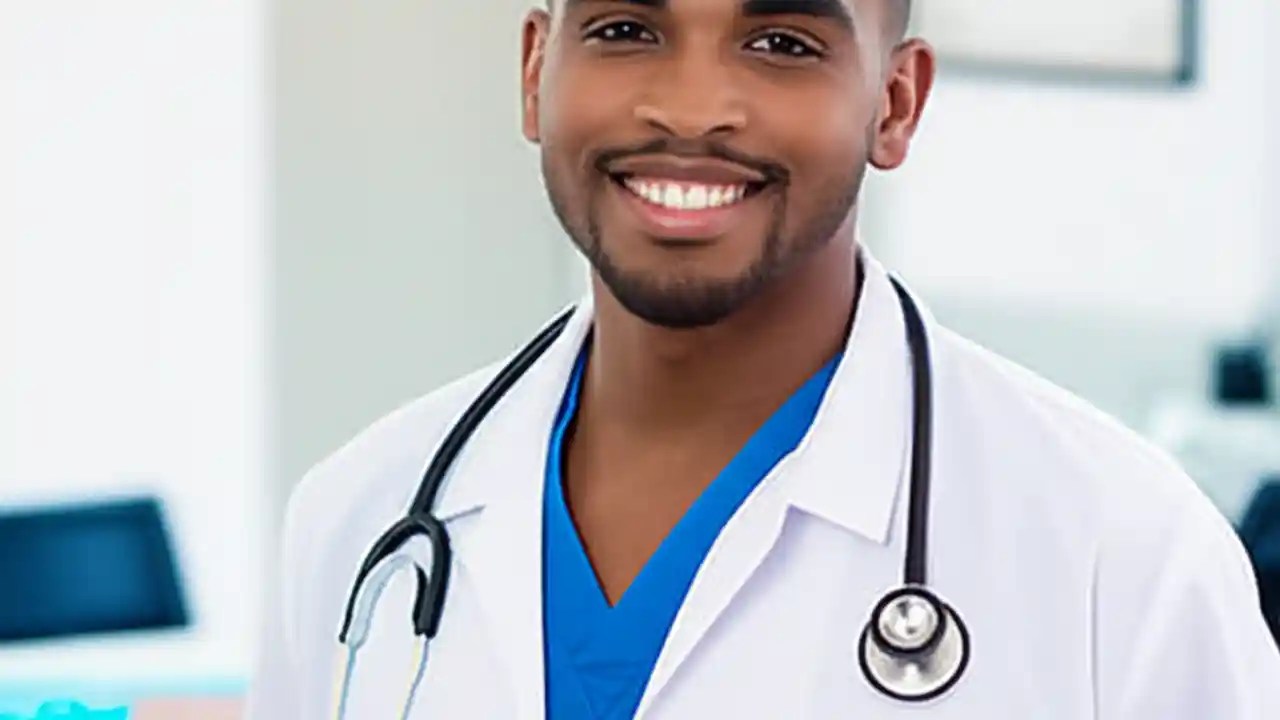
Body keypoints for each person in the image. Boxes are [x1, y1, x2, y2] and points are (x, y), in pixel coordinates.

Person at [245, 0, 1280, 717]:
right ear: (532, 73)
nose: (690, 108)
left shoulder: (1122, 555)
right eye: (622, 28)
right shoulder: (358, 522)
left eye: (782, 41)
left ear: (895, 103)